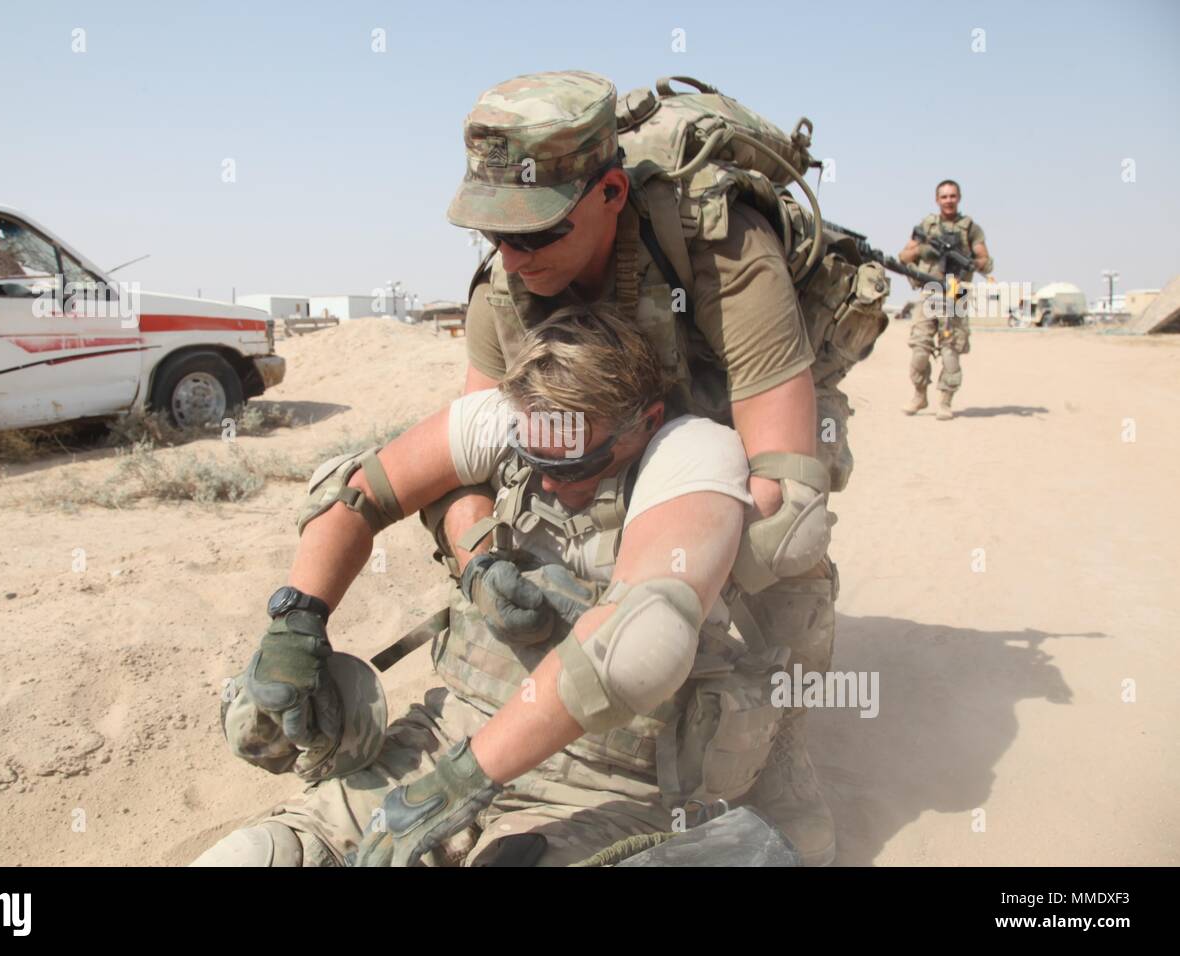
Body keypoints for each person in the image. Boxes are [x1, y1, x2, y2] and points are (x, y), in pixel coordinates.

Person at [192, 305, 788, 867]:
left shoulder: (691, 453)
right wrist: (297, 619)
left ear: (644, 424)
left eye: (574, 464)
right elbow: (352, 495)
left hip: (603, 785)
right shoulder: (512, 417)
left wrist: (463, 783)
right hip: (450, 734)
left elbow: (640, 644)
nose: (549, 485)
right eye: (536, 460)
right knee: (266, 854)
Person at [434, 71, 841, 864]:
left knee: (782, 550)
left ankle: (776, 747)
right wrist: (480, 556)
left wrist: (648, 589)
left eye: (537, 233)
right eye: (495, 236)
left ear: (611, 192)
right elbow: (465, 467)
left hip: (723, 430)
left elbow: (782, 489)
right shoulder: (503, 289)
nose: (511, 259)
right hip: (597, 452)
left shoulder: (717, 246)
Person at [898, 179, 993, 420]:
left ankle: (945, 401)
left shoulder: (970, 228)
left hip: (956, 290)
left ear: (958, 198)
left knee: (951, 351)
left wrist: (971, 262)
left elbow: (986, 261)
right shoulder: (926, 228)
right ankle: (920, 395)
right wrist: (922, 251)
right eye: (944, 196)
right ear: (937, 200)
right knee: (919, 349)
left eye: (952, 196)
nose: (948, 200)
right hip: (931, 289)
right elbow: (904, 255)